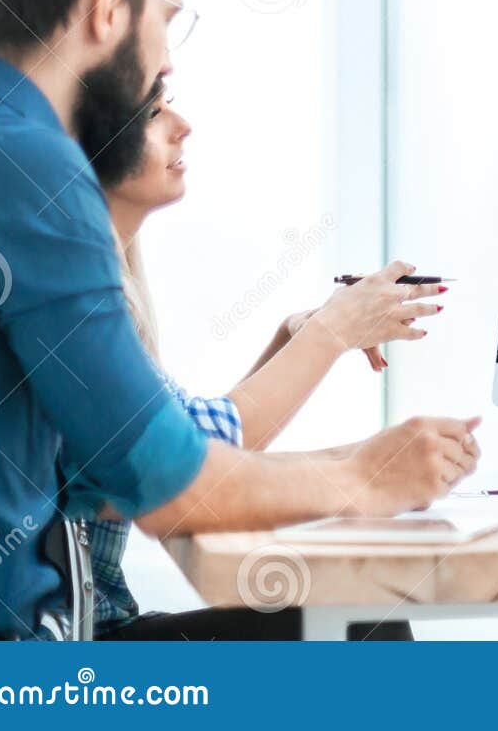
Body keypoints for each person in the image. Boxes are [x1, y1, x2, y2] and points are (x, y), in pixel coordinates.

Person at [0, 0, 478, 641]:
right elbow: (162, 482)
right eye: (168, 20)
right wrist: (360, 478)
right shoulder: (32, 172)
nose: (168, 65)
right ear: (109, 7)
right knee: (373, 639)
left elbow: (121, 458)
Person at [70, 92, 434, 639]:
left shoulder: (103, 279)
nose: (183, 125)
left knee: (358, 614)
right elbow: (180, 471)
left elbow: (196, 453)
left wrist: (296, 341)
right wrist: (328, 334)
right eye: (152, 112)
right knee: (364, 620)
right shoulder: (77, 295)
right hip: (75, 654)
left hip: (102, 629)